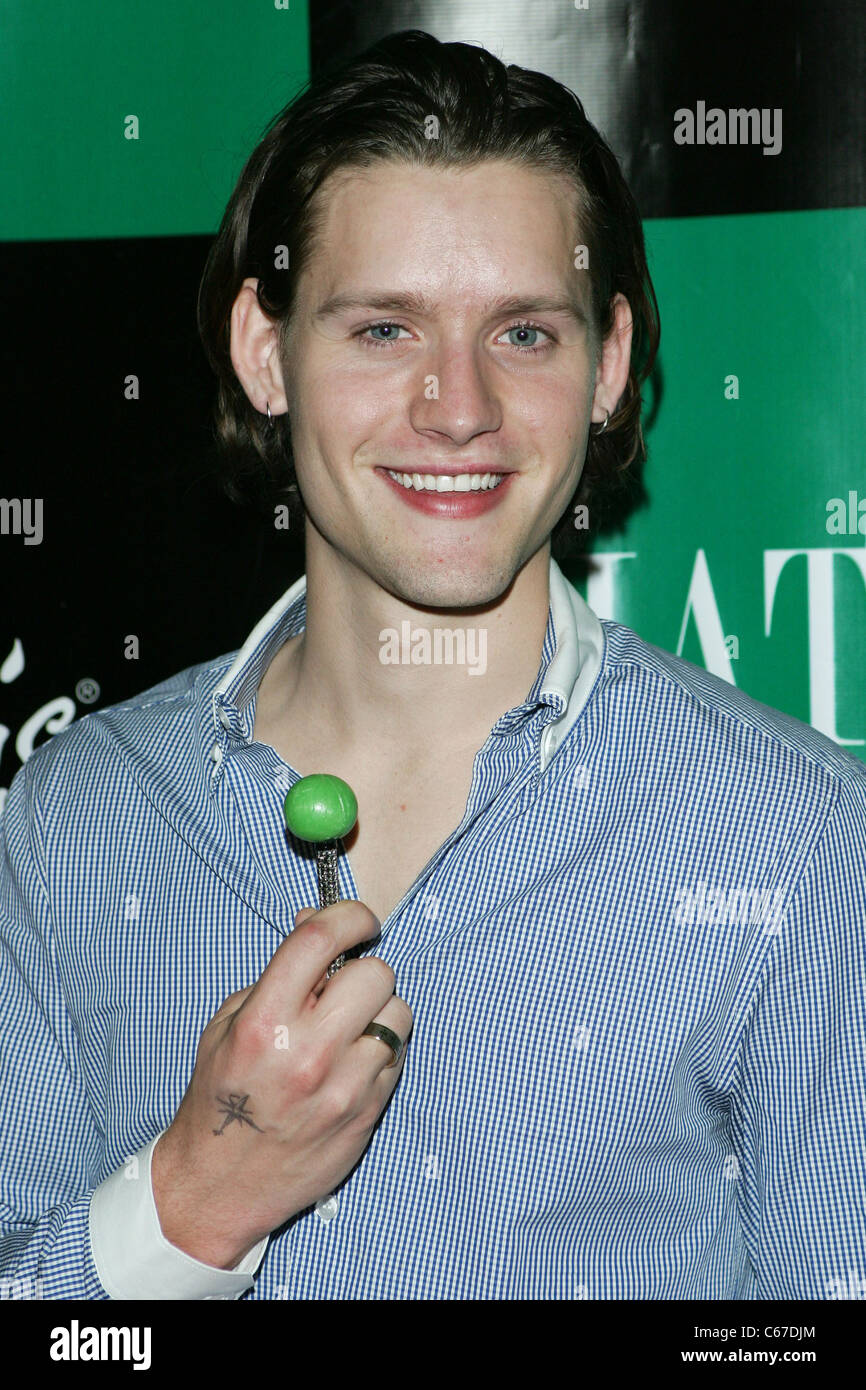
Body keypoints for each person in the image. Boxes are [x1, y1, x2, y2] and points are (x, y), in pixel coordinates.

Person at [1, 28, 864, 1302]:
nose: (455, 406)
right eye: (381, 329)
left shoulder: (792, 836)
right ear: (262, 348)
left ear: (609, 365)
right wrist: (187, 1209)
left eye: (521, 333)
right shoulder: (73, 822)